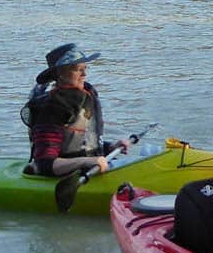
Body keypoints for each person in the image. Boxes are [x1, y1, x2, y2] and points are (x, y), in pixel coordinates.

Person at [22, 44, 131, 183]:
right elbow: (44, 163)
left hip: (91, 169)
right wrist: (87, 162)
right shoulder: (52, 107)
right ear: (59, 73)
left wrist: (111, 147)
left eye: (85, 68)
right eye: (78, 69)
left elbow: (82, 145)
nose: (84, 75)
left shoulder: (85, 95)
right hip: (66, 176)